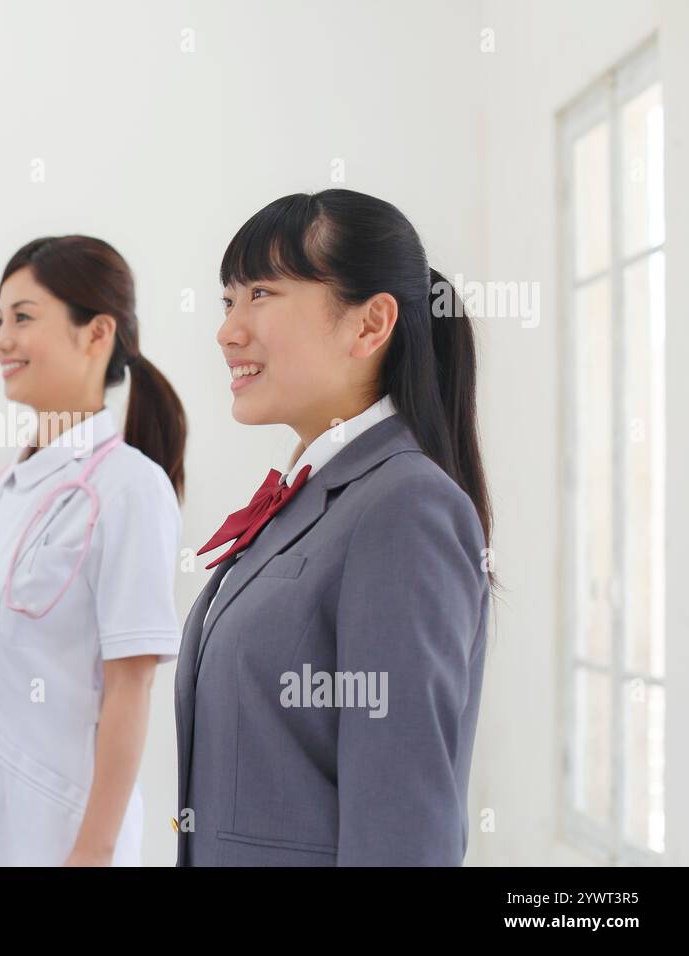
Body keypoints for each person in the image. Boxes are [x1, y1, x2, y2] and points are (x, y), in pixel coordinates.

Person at [176, 189, 493, 866]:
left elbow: (403, 830)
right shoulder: (319, 495)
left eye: (261, 293)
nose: (228, 331)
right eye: (227, 301)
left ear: (371, 324)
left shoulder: (406, 508)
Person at [0, 236, 187, 866]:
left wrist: (93, 851)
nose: (0, 341)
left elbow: (130, 688)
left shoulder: (130, 488)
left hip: (49, 839)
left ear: (96, 333)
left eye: (23, 318)